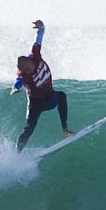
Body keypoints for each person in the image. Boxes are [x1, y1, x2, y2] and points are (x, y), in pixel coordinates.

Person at [12, 19, 73, 150]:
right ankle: (17, 152)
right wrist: (15, 89)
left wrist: (41, 27)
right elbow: (18, 82)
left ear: (29, 61)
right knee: (29, 129)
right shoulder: (23, 75)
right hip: (35, 103)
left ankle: (65, 130)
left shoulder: (36, 55)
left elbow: (38, 39)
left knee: (62, 96)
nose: (27, 72)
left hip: (49, 97)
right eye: (23, 70)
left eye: (27, 68)